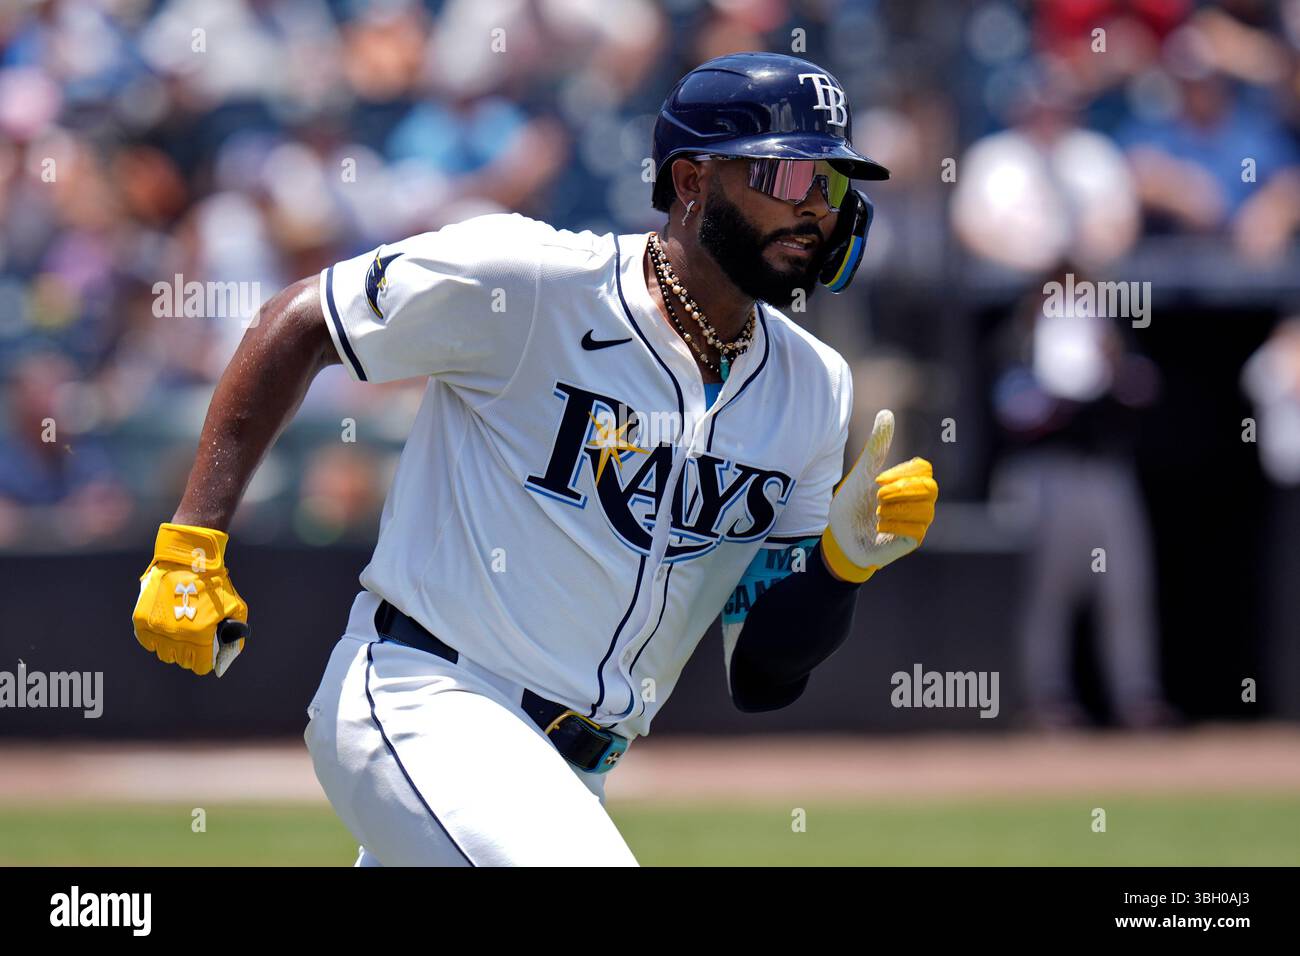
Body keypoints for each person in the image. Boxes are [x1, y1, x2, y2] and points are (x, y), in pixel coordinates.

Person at [130, 53, 938, 866]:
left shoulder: (814, 389)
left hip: (568, 773)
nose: (818, 211)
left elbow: (761, 677)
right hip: (430, 697)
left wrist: (842, 561)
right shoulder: (536, 281)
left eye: (832, 184)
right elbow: (299, 320)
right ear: (692, 181)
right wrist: (191, 542)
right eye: (789, 177)